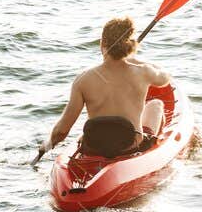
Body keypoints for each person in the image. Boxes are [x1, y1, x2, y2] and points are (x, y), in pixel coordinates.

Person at [33, 17, 172, 165]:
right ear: (130, 45)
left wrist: (47, 144)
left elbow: (62, 130)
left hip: (94, 147)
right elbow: (165, 78)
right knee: (156, 104)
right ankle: (153, 150)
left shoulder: (83, 79)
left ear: (102, 44)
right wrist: (135, 60)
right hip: (129, 146)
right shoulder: (144, 71)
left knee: (93, 129)